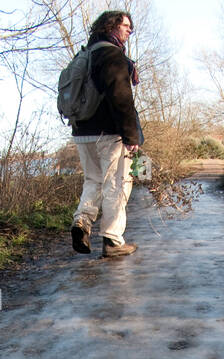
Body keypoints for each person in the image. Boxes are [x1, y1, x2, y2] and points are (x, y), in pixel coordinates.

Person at [70, 10, 143, 259]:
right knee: (117, 184)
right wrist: (131, 136)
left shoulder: (85, 54)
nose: (129, 30)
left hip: (82, 131)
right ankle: (113, 240)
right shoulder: (112, 56)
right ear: (110, 26)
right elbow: (121, 99)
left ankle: (81, 222)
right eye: (125, 26)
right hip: (108, 134)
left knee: (93, 180)